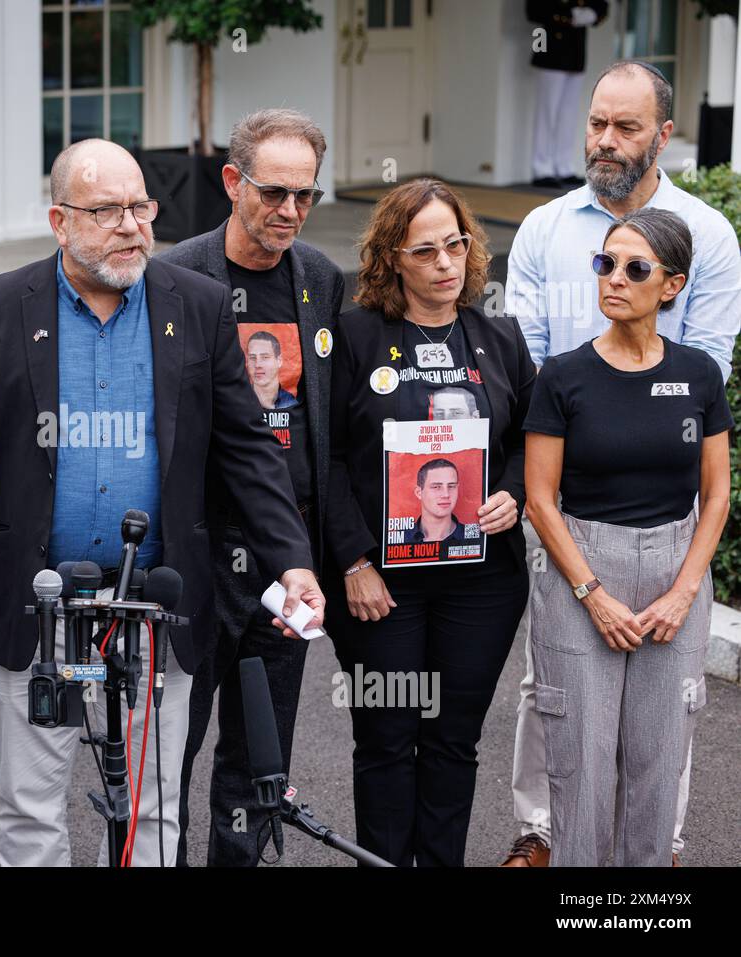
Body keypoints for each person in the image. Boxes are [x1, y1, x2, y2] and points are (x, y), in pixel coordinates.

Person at [0, 138, 323, 867]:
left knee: (151, 809)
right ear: (60, 219)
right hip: (35, 601)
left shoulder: (195, 305)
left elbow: (247, 448)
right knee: (31, 810)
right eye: (107, 210)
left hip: (156, 607)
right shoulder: (4, 307)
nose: (132, 225)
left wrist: (292, 560)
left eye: (141, 207)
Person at [502, 59, 741, 867]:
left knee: (666, 711)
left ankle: (655, 850)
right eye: (596, 121)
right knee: (558, 691)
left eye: (626, 126)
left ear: (664, 136)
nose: (605, 139)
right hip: (567, 496)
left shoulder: (706, 235)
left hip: (665, 513)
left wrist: (681, 579)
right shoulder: (543, 229)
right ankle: (546, 836)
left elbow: (699, 379)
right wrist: (573, 420)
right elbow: (524, 361)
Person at [326, 178, 535, 866]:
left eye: (456, 244)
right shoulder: (354, 336)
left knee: (452, 740)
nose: (446, 263)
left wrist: (513, 493)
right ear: (391, 259)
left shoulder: (499, 336)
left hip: (480, 585)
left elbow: (534, 439)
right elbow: (321, 454)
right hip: (379, 584)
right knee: (385, 738)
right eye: (425, 251)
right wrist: (352, 559)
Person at [158, 107, 344, 866]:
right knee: (169, 747)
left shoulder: (323, 281)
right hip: (195, 551)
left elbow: (333, 423)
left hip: (283, 555)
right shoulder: (174, 277)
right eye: (273, 193)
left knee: (259, 756)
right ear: (233, 181)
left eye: (306, 195)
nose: (290, 211)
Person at [526, 1, 609, 188]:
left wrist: (591, 14)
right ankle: (541, 168)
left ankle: (563, 165)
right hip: (550, 48)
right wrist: (571, 15)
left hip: (576, 51)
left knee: (569, 113)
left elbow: (602, 6)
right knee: (547, 113)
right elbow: (534, 11)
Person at [401, 459, 466, 546]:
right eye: (436, 487)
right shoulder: (401, 538)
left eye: (451, 486)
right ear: (419, 493)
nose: (446, 494)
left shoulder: (472, 536)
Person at [245, 331, 298, 409]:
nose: (257, 365)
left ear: (279, 361)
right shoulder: (239, 402)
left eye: (265, 357)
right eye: (252, 358)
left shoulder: (292, 404)